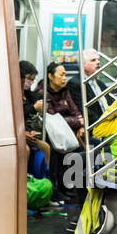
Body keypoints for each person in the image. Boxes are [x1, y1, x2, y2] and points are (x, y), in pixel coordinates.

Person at [45, 61, 85, 204]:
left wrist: (80, 125)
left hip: (67, 133)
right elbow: (54, 119)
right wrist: (77, 122)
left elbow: (75, 111)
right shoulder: (43, 92)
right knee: (57, 152)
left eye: (65, 75)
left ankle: (70, 187)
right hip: (53, 134)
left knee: (80, 151)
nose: (64, 78)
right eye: (61, 75)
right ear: (50, 76)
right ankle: (57, 190)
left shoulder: (65, 91)